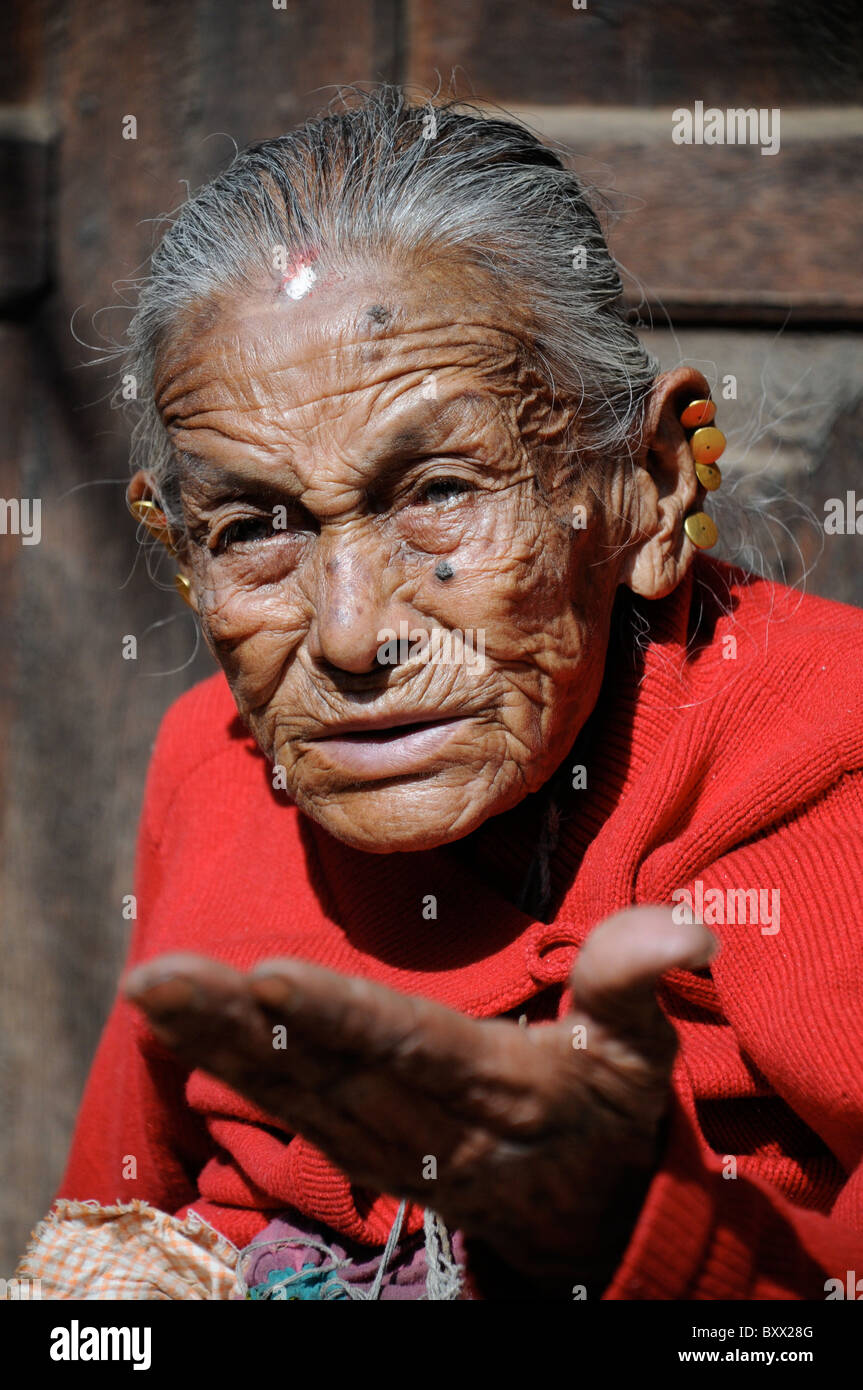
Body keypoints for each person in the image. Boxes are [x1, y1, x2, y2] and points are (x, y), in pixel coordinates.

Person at [19, 87, 863, 1300]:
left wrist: (626, 1228)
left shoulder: (823, 753)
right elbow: (103, 1247)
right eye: (255, 526)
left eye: (438, 493)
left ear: (650, 485)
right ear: (179, 549)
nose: (354, 636)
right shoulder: (210, 767)